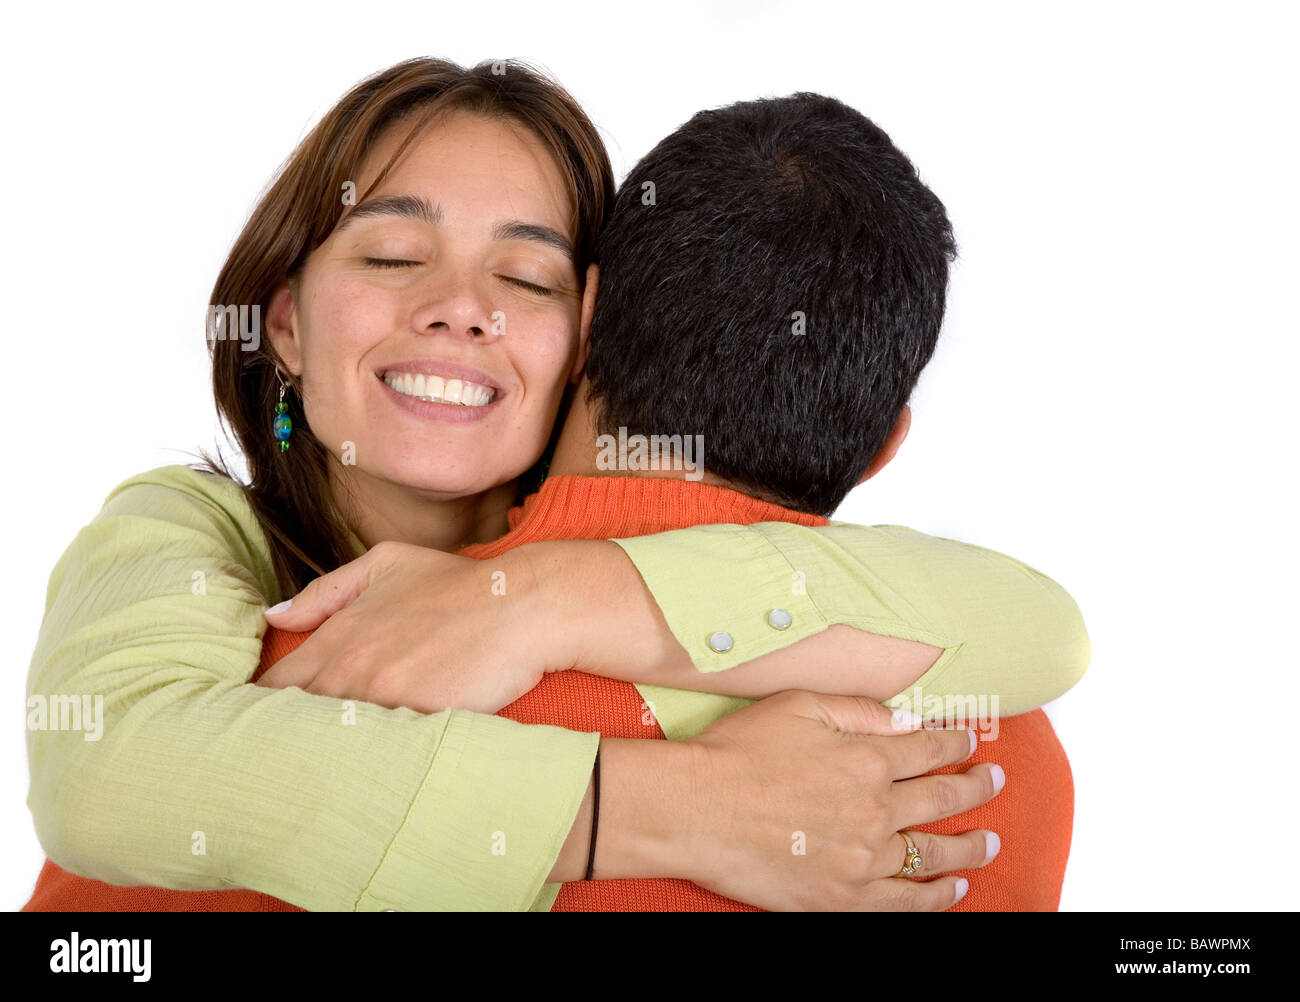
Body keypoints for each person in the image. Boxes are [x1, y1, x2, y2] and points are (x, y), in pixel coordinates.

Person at [23, 59, 1086, 912]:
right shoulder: (218, 615)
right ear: (285, 324)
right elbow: (106, 773)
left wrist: (556, 600)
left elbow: (1045, 626)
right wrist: (685, 807)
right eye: (393, 255)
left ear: (589, 332)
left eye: (524, 276)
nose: (459, 307)